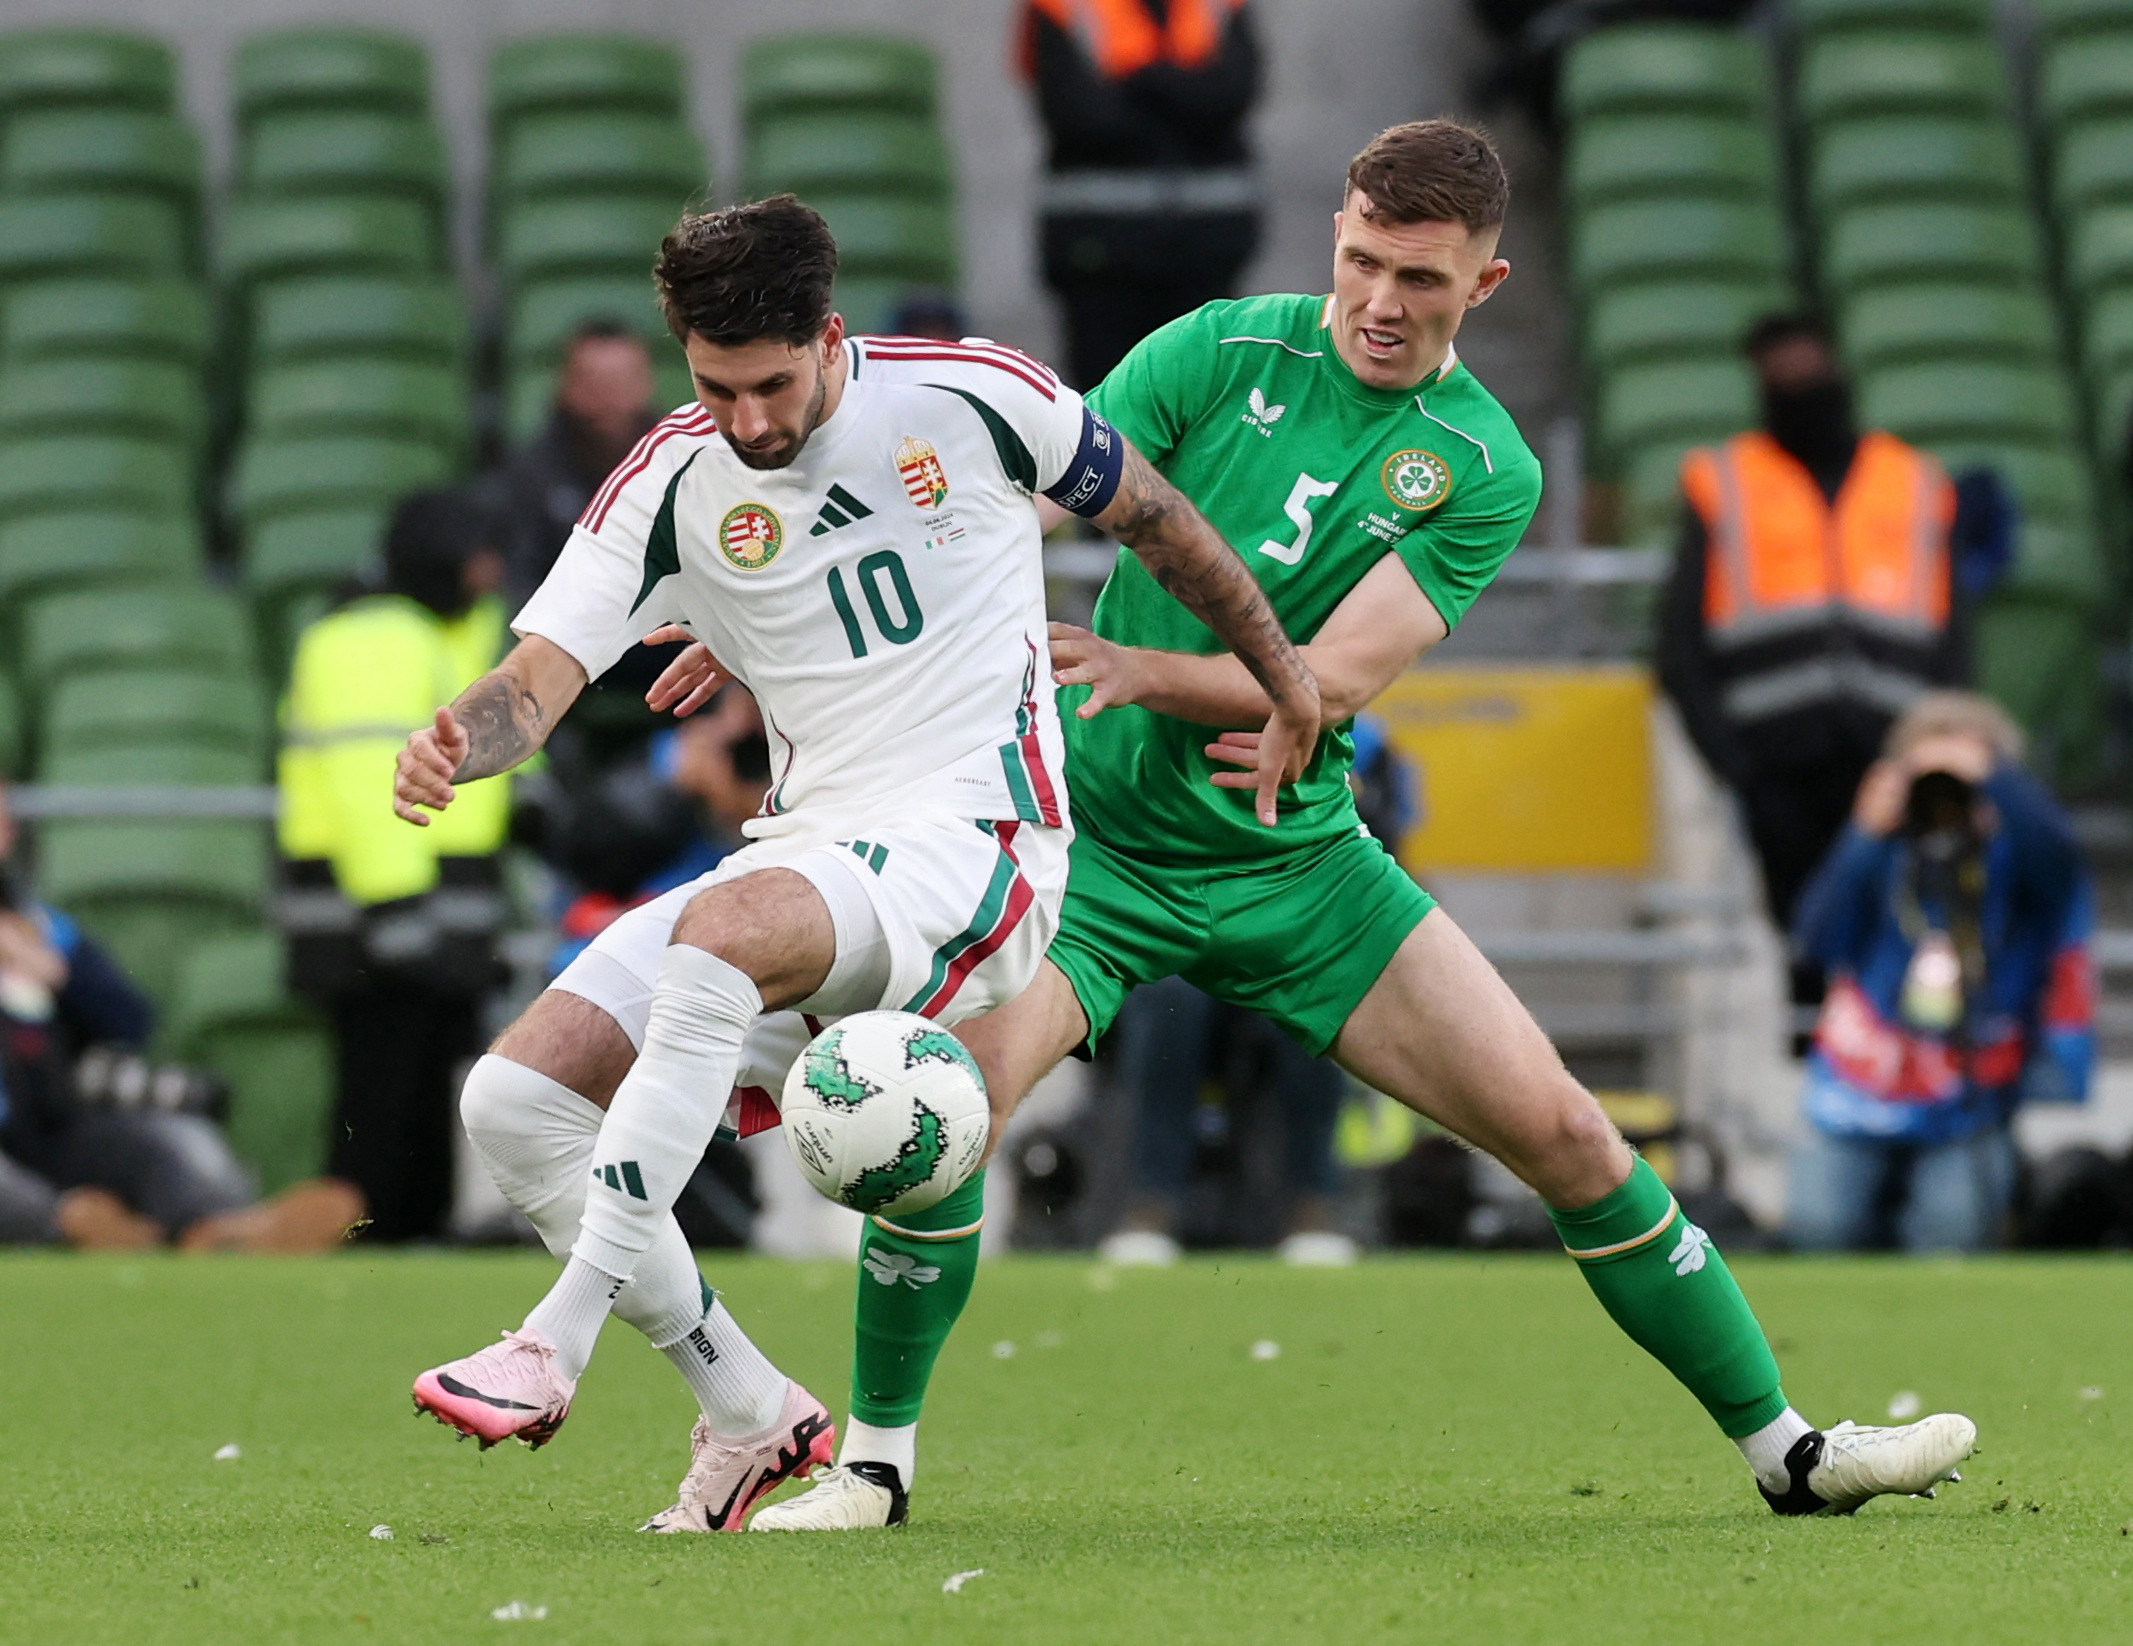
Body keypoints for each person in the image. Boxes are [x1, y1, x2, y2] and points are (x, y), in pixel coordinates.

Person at [740, 121, 1978, 1531]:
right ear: (1336, 233)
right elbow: (998, 503)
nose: (1382, 302)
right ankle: (873, 1470)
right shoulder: (1215, 350)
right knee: (948, 1108)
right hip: (1090, 853)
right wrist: (793, 606)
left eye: (1422, 279)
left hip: (1300, 861)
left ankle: (1789, 1452)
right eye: (1364, 262)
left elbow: (1330, 680)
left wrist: (1152, 668)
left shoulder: (1484, 462)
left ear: (1486, 284)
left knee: (1569, 1134)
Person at [393, 196, 1317, 1533]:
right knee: (514, 1102)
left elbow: (1163, 520)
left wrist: (1284, 683)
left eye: (771, 385)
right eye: (716, 388)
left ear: (830, 338)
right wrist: (454, 745)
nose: (748, 419)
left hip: (981, 840)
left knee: (722, 931)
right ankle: (748, 1409)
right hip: (811, 852)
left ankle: (555, 1337)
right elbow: (534, 686)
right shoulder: (670, 479)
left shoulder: (973, 396)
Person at [1655, 314, 1974, 1029]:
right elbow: (1678, 649)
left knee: (1907, 934)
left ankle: (1904, 1061)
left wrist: (1940, 752)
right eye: (1781, 371)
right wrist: (1735, 767)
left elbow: (1954, 641)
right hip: (1779, 768)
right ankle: (1821, 1069)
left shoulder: (1915, 483)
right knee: (1804, 944)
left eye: (1808, 366)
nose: (1798, 385)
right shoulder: (1723, 482)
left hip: (1894, 759)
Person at [278, 489, 512, 1243]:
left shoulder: (440, 627)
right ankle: (362, 1234)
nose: (490, 571)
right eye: (477, 554)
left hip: (435, 904)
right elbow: (365, 783)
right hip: (377, 911)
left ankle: (411, 1234)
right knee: (381, 1087)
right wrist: (397, 913)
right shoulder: (370, 636)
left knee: (423, 1083)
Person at [1787, 692, 2094, 1253]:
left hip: (1972, 1092)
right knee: (1819, 1228)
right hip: (1861, 1084)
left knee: (1952, 1233)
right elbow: (1816, 941)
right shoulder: (1884, 849)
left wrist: (1995, 784)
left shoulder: (2021, 855)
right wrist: (1862, 835)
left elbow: (2059, 860)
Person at [0, 783, 252, 1248]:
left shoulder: (44, 930)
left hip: (60, 1126)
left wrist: (58, 976)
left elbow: (131, 1022)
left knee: (182, 1143)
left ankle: (222, 1230)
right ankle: (75, 1228)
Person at [1019, 0, 1263, 387]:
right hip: (1099, 255)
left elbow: (1231, 95)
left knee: (1201, 397)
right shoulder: (1061, 6)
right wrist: (1184, 91)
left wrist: (1140, 80)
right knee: (1105, 403)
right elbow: (1080, 115)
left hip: (1204, 248)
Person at [485, 320, 660, 610]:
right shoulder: (529, 476)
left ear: (646, 384)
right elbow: (519, 581)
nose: (607, 400)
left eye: (620, 384)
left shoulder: (682, 467)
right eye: (593, 385)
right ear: (564, 384)